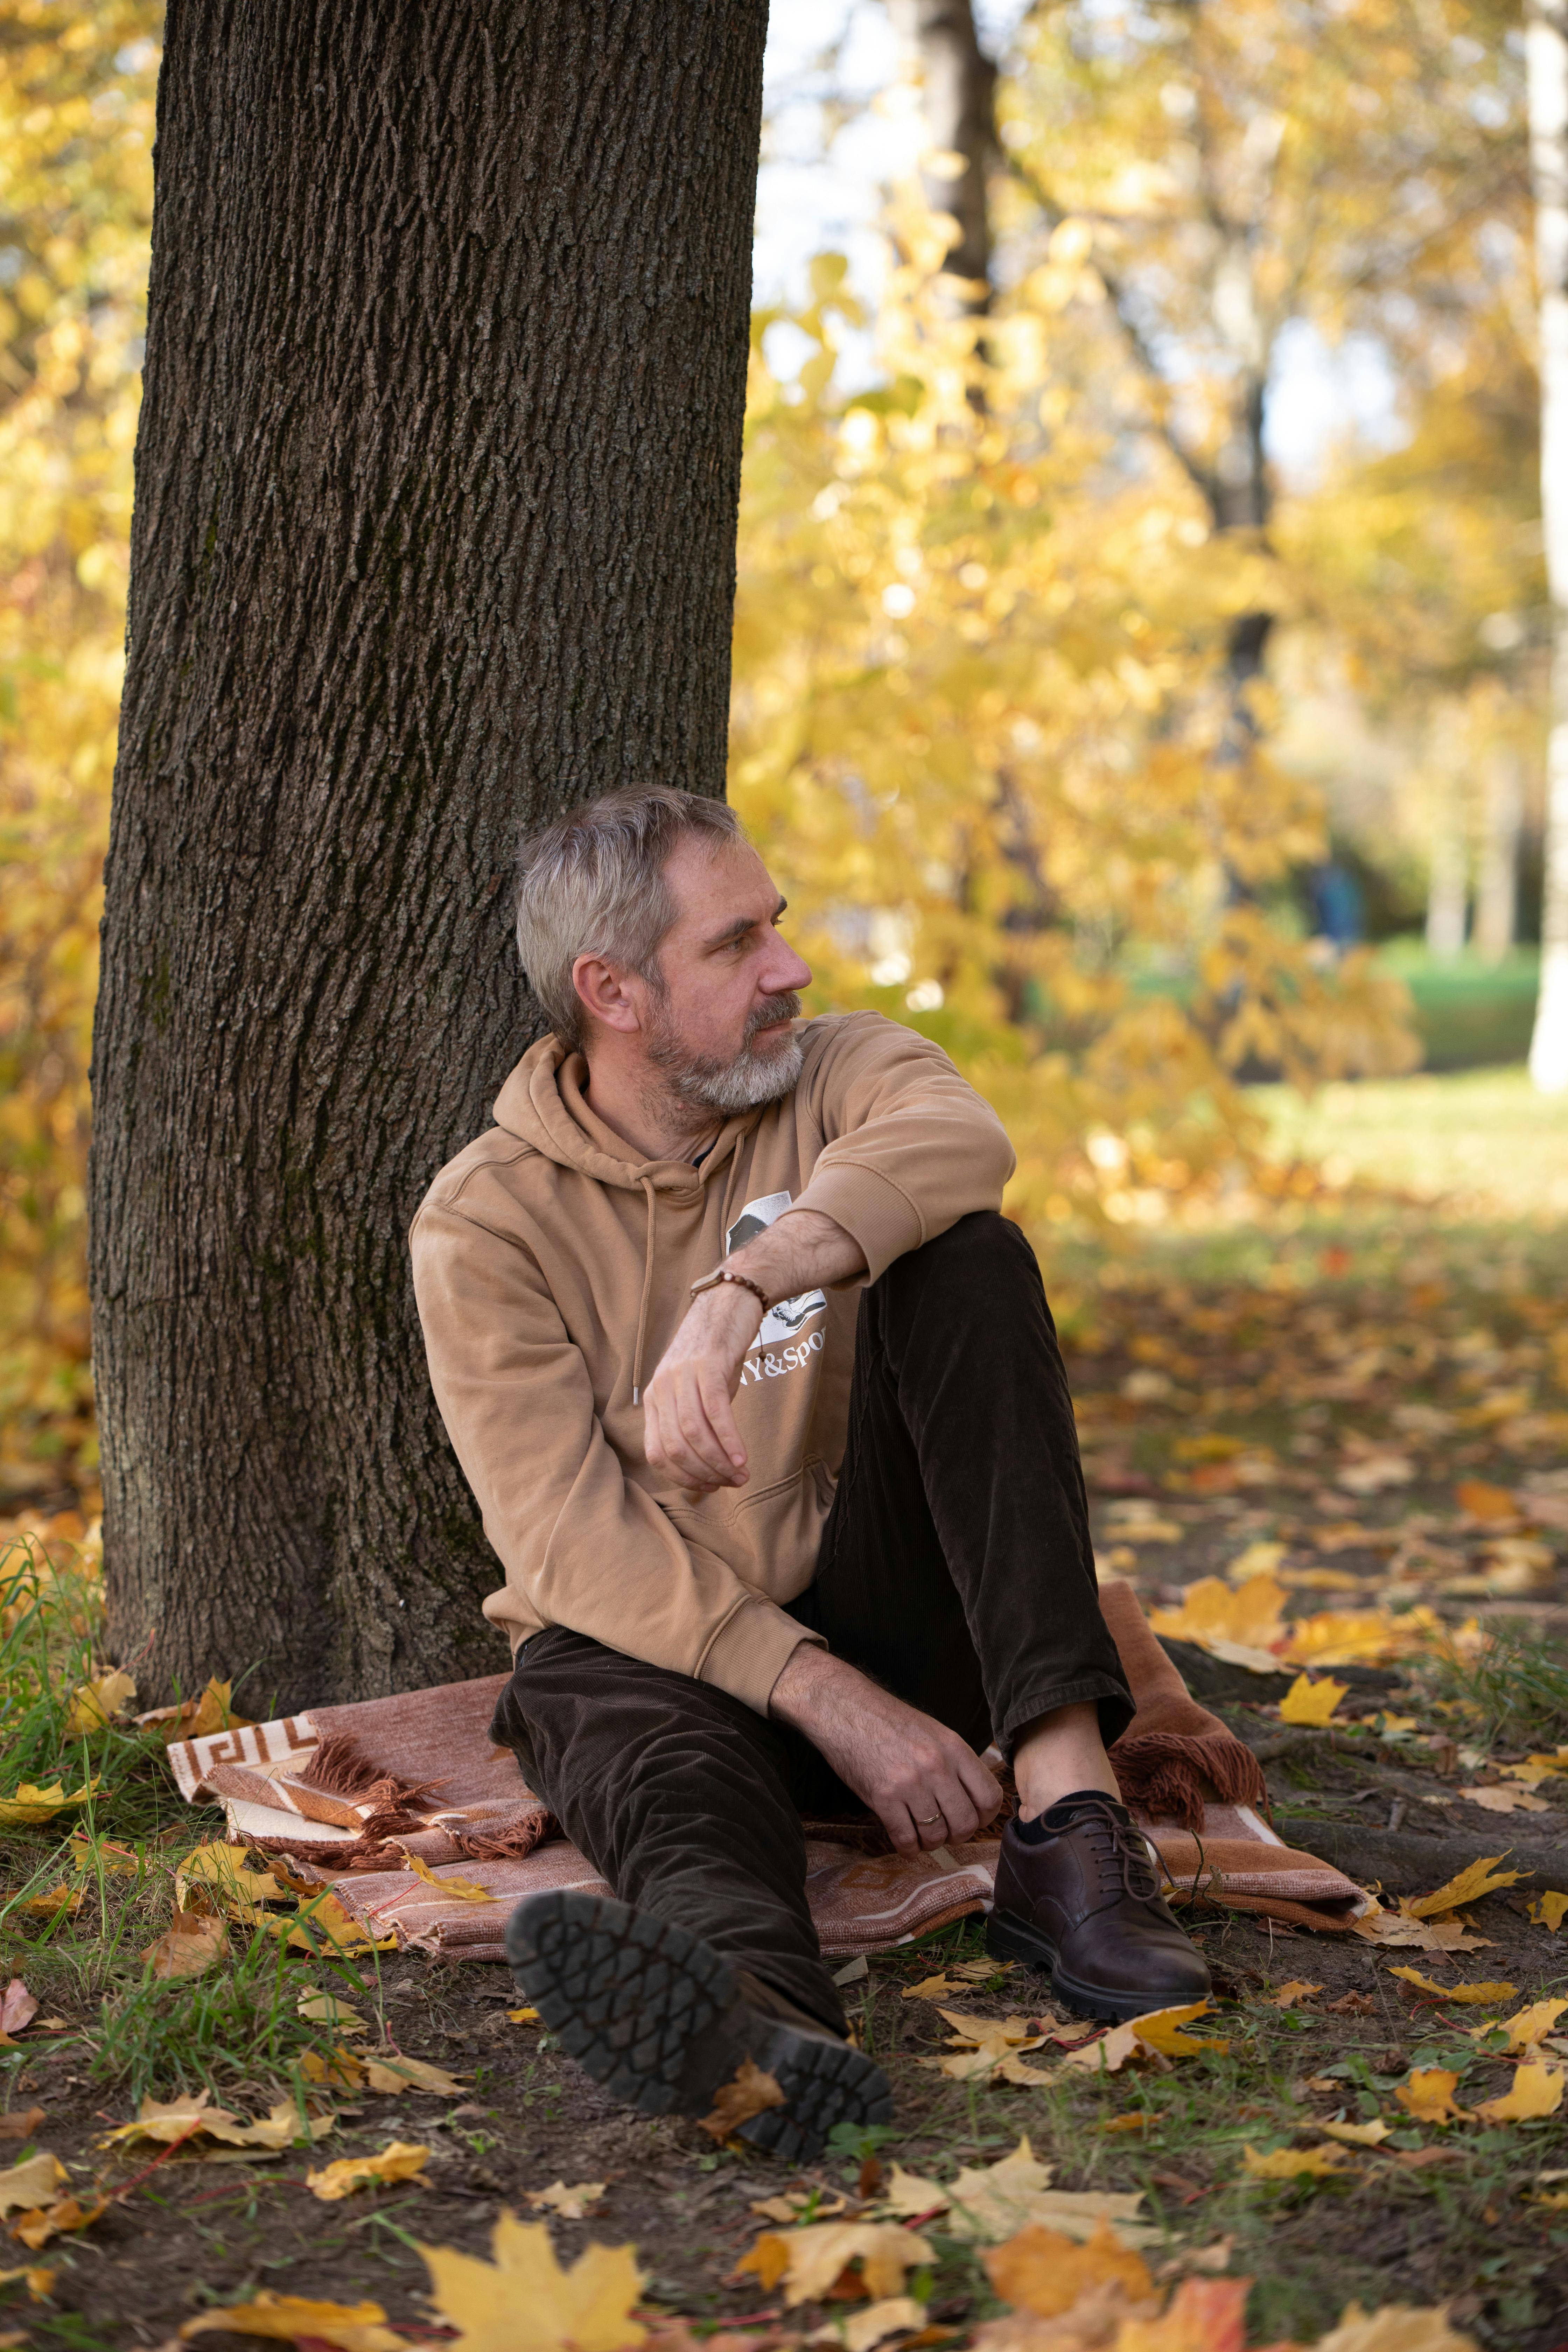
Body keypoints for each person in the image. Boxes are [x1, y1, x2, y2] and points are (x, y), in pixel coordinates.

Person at [411, 786, 1208, 2161]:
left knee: (968, 1256)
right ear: (612, 990)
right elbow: (559, 1534)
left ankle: (1070, 1834)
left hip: (903, 1609)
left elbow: (964, 1143)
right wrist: (823, 1697)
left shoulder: (839, 1067)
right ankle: (754, 2030)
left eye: (776, 926)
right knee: (600, 1698)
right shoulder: (487, 1222)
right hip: (683, 1653)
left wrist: (741, 1291)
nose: (789, 966)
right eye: (735, 946)